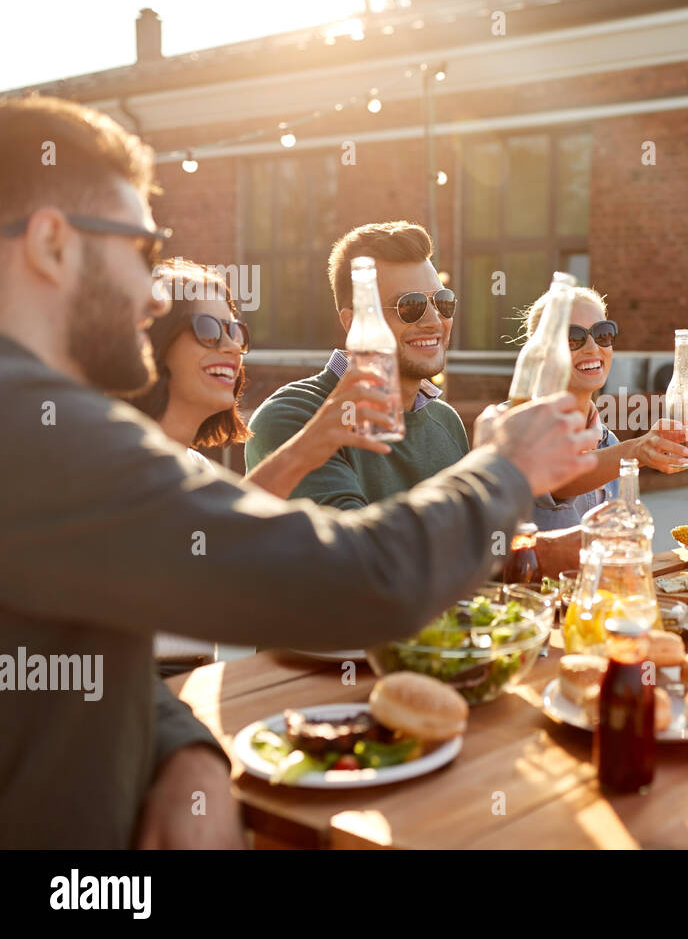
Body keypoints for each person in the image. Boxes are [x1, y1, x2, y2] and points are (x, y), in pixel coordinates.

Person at [0, 95, 598, 848]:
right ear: (52, 244)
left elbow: (93, 647)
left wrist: (183, 752)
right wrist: (504, 467)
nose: (156, 296)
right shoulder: (43, 435)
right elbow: (354, 582)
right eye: (143, 252)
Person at [127, 258, 400, 669]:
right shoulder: (113, 460)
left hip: (190, 693)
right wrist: (312, 440)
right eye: (208, 329)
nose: (232, 346)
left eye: (236, 330)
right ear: (152, 341)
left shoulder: (196, 467)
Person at [243, 221, 468, 508]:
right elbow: (354, 545)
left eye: (443, 302)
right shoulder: (294, 418)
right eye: (410, 306)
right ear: (354, 322)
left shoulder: (446, 421)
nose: (434, 321)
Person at [519, 287, 688, 529]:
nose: (592, 348)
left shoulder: (609, 443)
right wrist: (638, 450)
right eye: (573, 338)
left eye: (602, 334)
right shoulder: (516, 427)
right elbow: (560, 479)